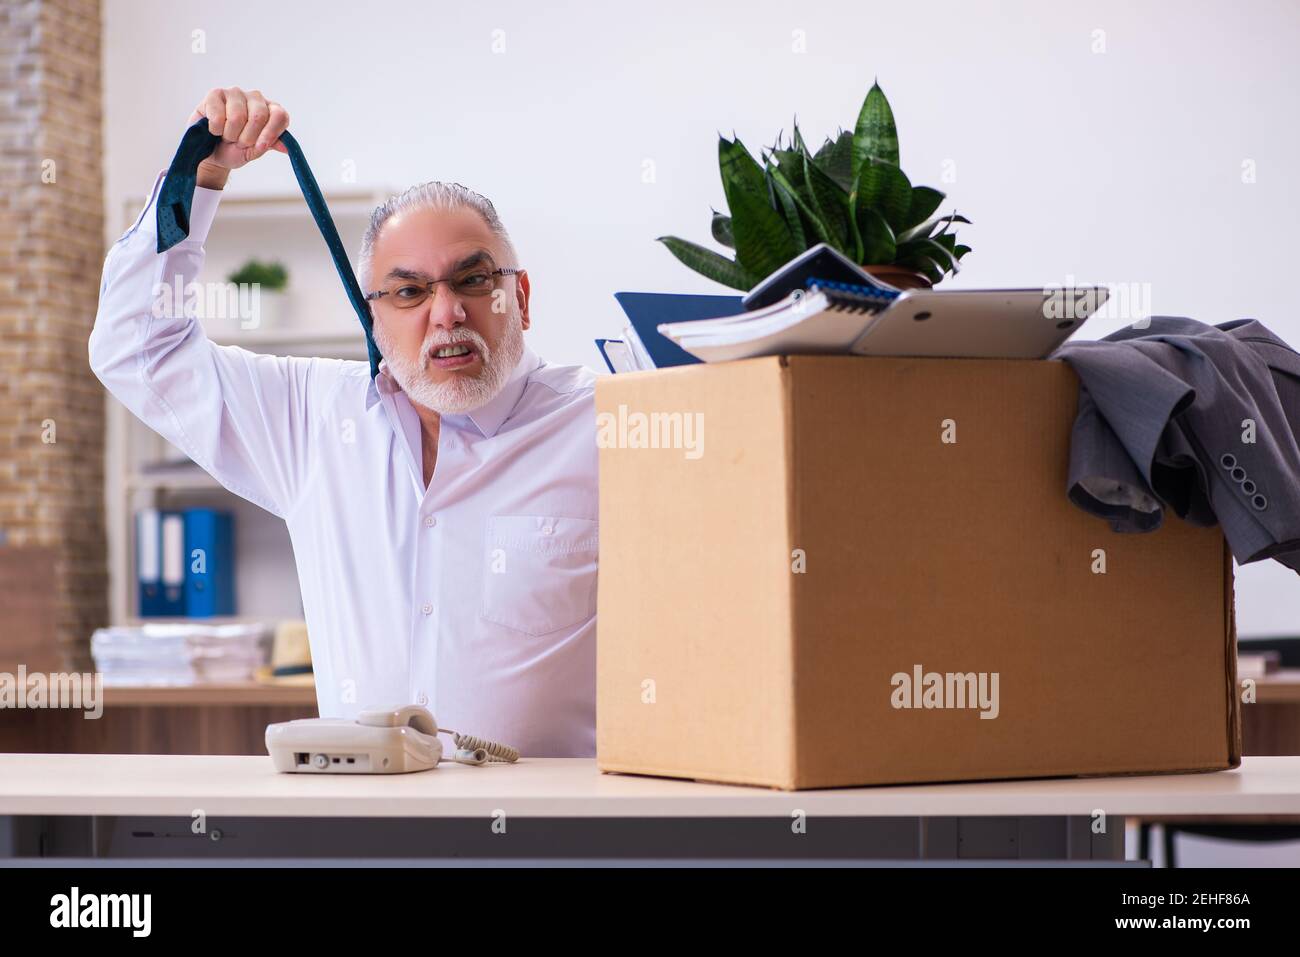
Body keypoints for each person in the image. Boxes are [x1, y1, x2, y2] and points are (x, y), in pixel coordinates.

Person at [89, 87, 599, 756]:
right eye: (410, 291)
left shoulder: (606, 423)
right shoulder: (312, 418)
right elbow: (134, 346)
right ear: (372, 317)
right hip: (368, 837)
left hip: (555, 843)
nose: (446, 314)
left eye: (473, 281)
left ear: (519, 297)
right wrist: (200, 176)